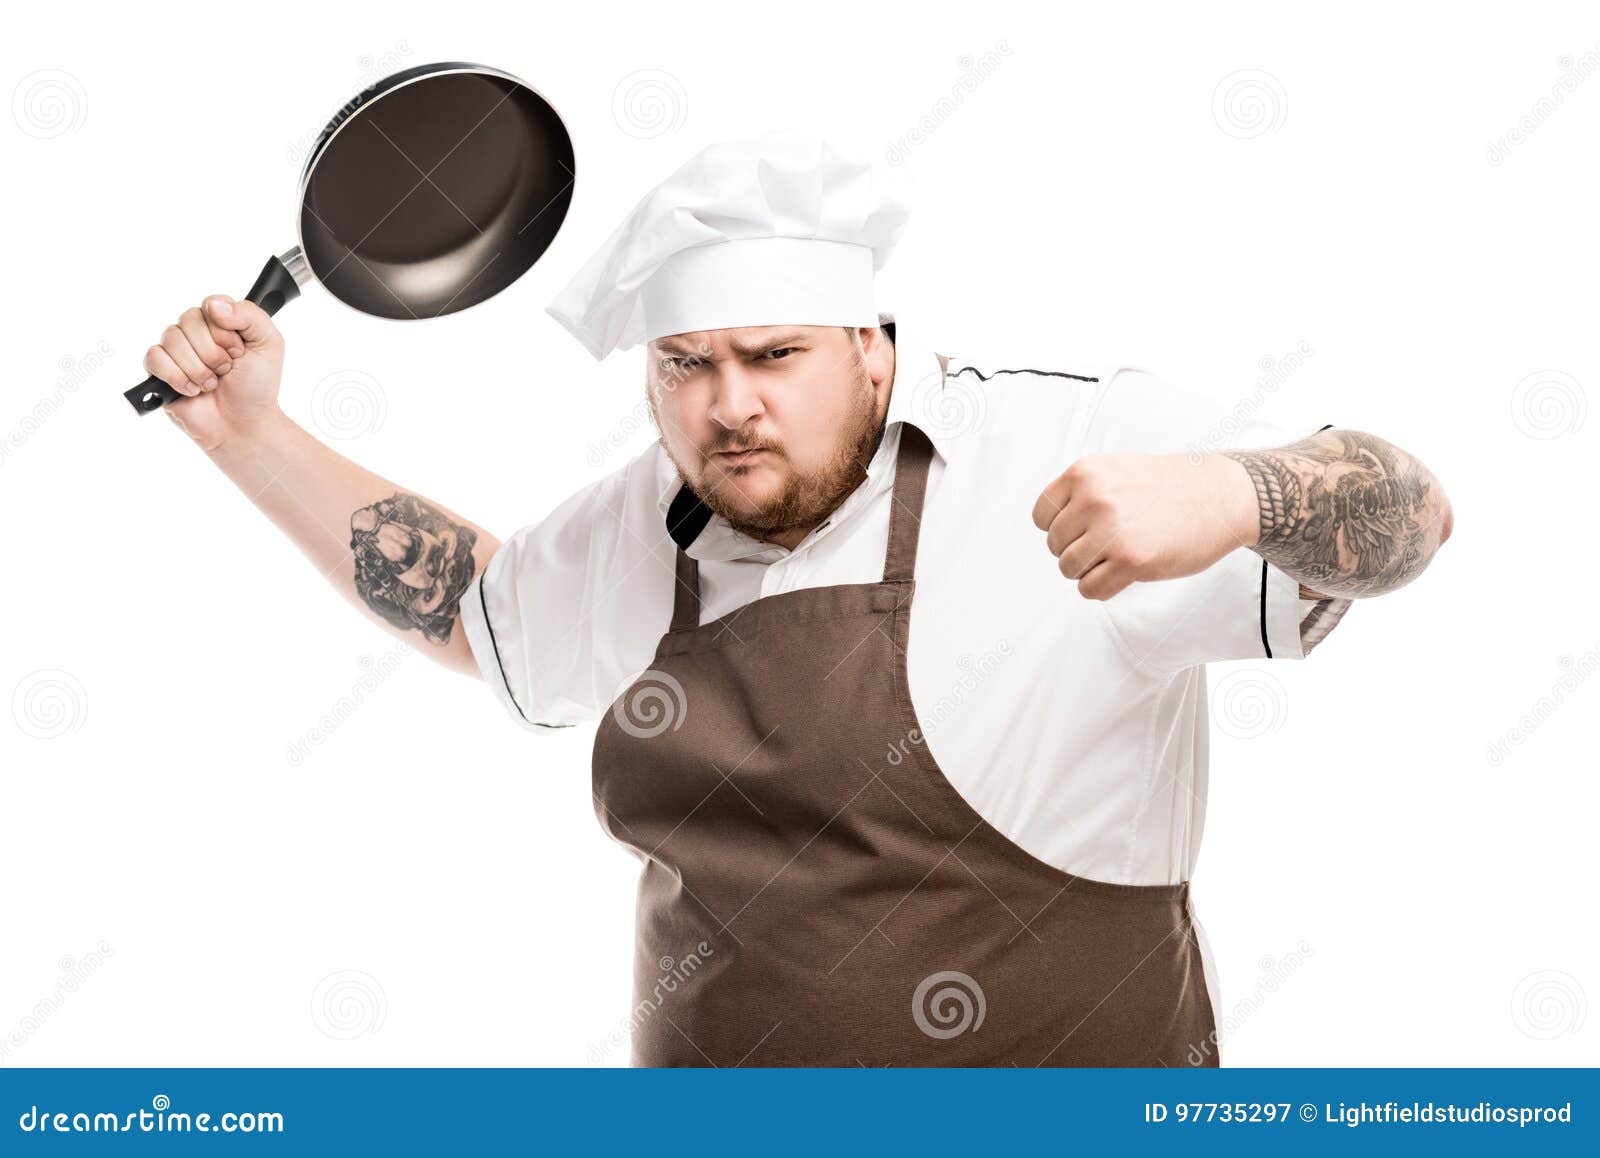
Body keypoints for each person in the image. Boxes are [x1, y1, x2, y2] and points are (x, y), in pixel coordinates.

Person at [141, 131, 1452, 1067]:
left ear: (872, 350)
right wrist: (245, 432)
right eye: (687, 364)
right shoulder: (650, 514)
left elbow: (1413, 512)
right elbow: (479, 613)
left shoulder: (1060, 447)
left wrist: (1242, 493)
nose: (732, 406)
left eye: (776, 354)